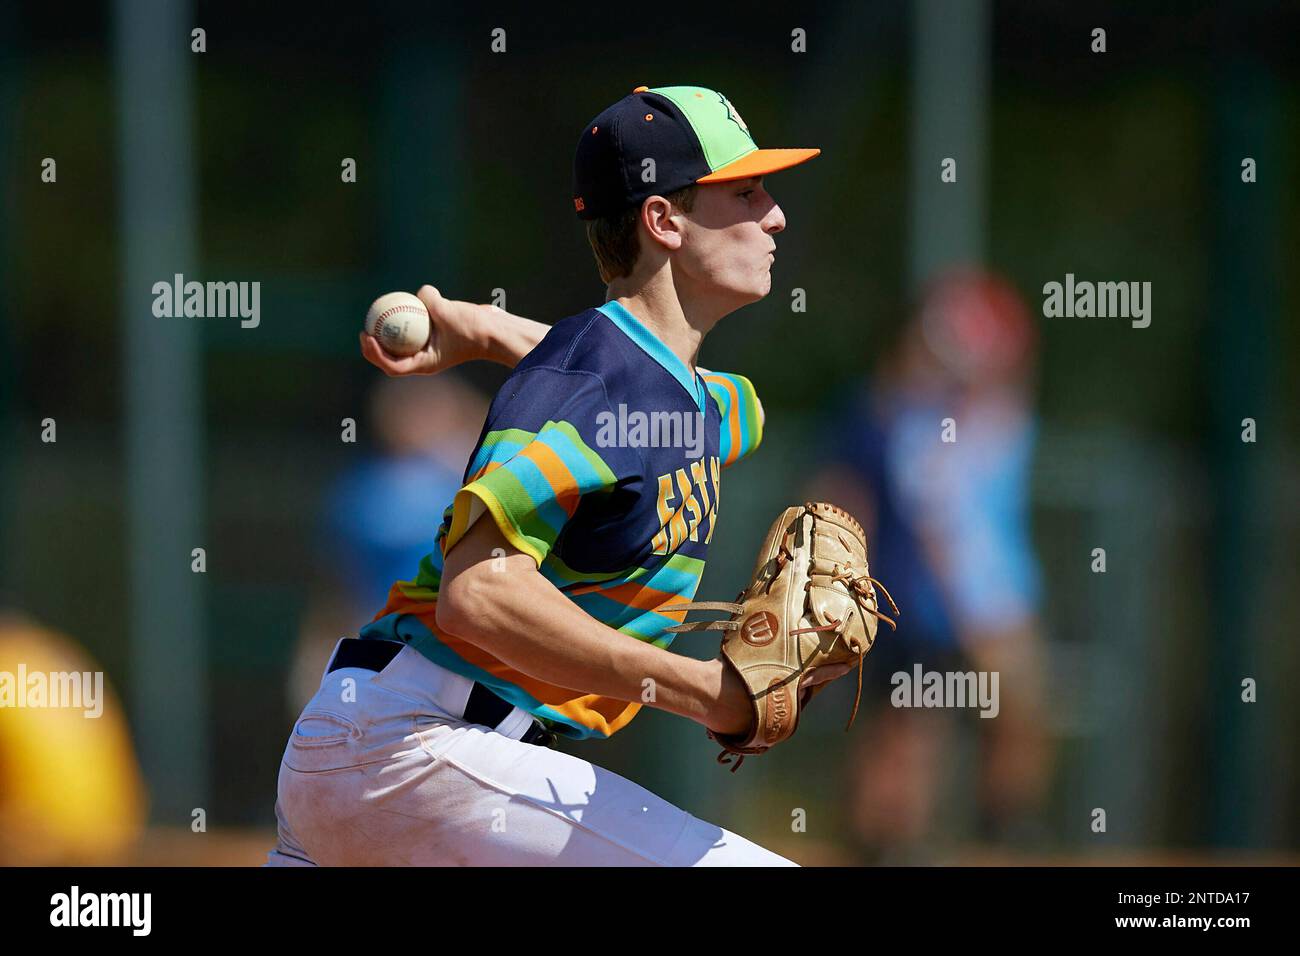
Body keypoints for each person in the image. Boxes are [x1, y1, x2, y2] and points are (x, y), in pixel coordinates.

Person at [267, 85, 823, 866]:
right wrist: (703, 691)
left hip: (401, 763)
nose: (775, 216)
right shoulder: (581, 389)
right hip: (418, 749)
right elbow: (479, 591)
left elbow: (653, 402)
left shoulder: (683, 400)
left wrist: (492, 330)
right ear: (664, 220)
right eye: (747, 191)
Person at [806, 270, 1052, 859]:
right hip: (928, 606)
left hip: (985, 604)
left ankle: (1001, 833)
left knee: (1007, 722)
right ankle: (881, 846)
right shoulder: (906, 423)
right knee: (907, 737)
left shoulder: (993, 424)